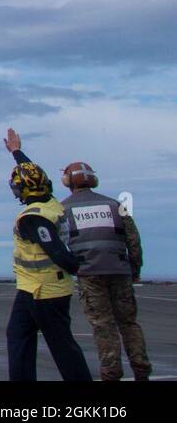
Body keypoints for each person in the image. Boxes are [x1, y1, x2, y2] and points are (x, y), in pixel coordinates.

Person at [1, 128, 92, 381]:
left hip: (45, 291)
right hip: (31, 288)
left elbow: (56, 251)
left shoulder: (33, 218)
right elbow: (33, 176)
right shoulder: (50, 202)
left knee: (61, 344)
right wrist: (17, 153)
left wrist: (80, 269)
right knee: (18, 336)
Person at [60, 161, 151, 381]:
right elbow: (133, 241)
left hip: (89, 274)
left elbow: (59, 245)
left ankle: (111, 374)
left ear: (68, 181)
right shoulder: (114, 205)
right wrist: (134, 269)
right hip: (120, 271)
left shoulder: (63, 209)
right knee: (128, 323)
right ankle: (141, 370)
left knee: (103, 326)